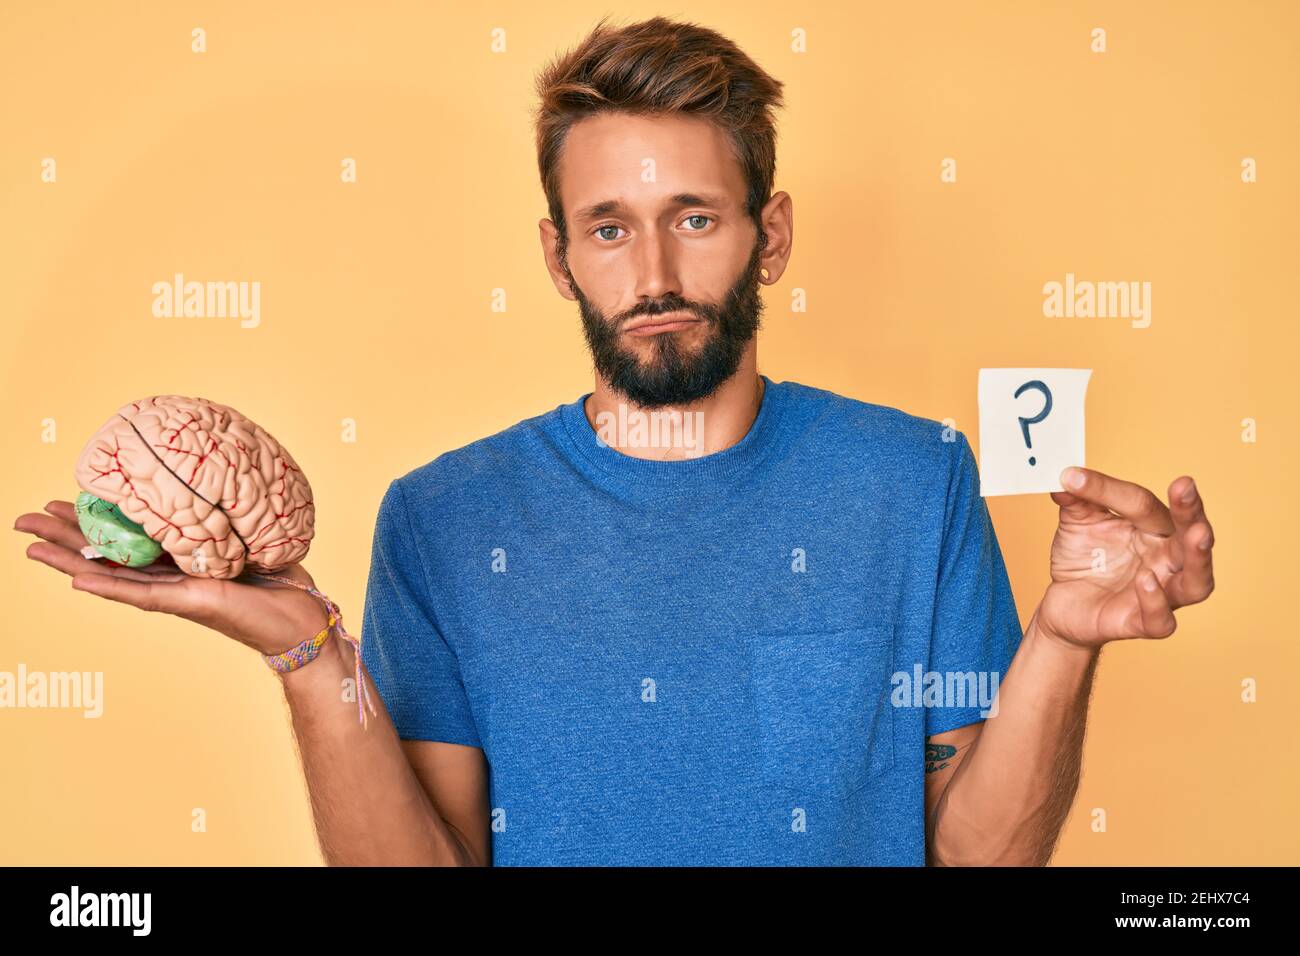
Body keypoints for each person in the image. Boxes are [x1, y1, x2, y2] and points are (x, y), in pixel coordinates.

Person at [13, 15, 1215, 866]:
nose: (652, 275)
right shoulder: (443, 519)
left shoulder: (913, 479)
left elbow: (973, 858)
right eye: (607, 228)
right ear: (557, 256)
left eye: (694, 217)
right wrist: (311, 653)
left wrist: (1061, 640)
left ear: (771, 235)